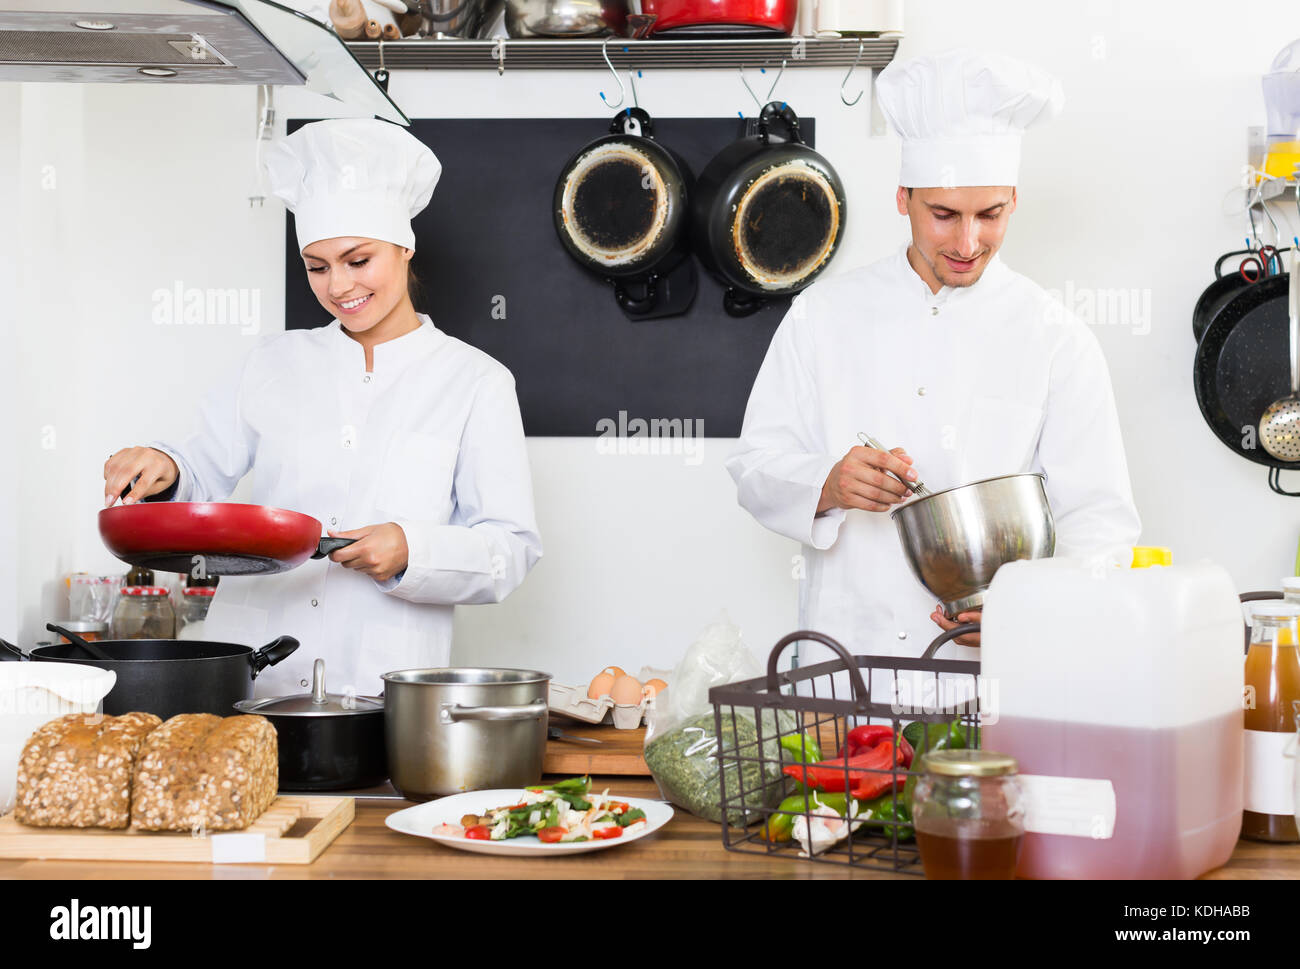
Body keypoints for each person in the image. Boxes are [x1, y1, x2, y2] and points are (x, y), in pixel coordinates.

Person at [726, 49, 1141, 667]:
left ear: (1013, 201)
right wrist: (829, 483)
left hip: (991, 675)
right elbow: (755, 466)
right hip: (847, 664)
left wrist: (1027, 611)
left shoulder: (1056, 336)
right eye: (944, 215)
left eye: (990, 214)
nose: (968, 243)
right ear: (903, 198)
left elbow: (1101, 523)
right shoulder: (824, 315)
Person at [102, 118, 542, 697]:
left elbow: (510, 548)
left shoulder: (475, 381)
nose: (338, 287)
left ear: (405, 246)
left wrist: (413, 548)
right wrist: (164, 467)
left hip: (382, 683)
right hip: (254, 677)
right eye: (317, 266)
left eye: (358, 261)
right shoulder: (271, 362)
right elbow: (199, 472)